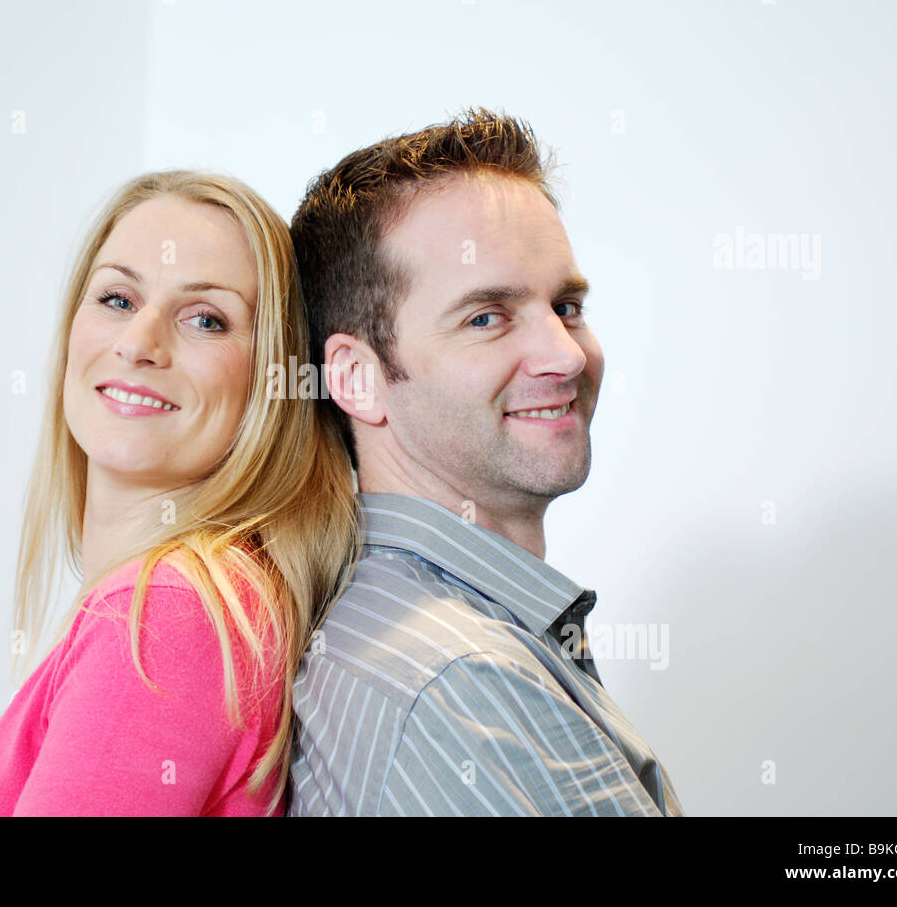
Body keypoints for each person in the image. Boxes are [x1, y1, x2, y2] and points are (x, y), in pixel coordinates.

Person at [287, 108, 685, 816]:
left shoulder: (469, 643)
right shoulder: (453, 683)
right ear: (356, 377)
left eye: (566, 306)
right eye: (486, 317)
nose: (566, 355)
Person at [0, 171, 358, 816]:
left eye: (206, 319)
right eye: (117, 299)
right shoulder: (198, 602)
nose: (139, 344)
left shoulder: (163, 618)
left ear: (270, 381)